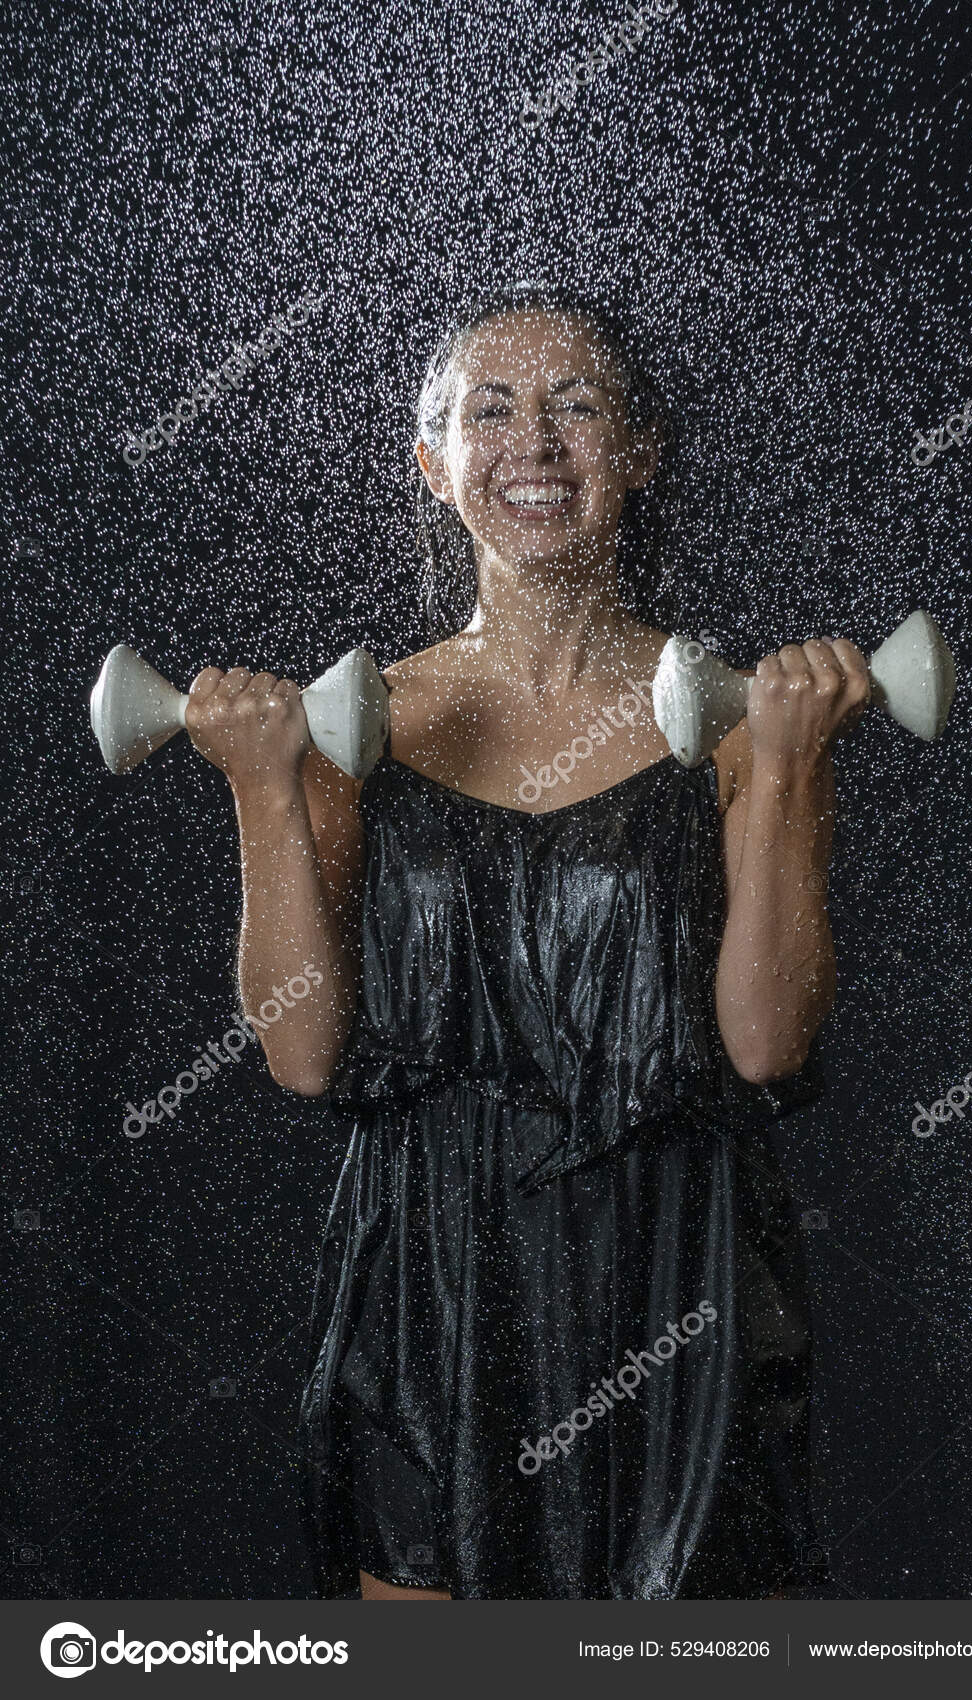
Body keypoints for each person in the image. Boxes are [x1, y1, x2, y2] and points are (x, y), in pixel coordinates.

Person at [185, 282, 870, 1600]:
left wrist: (784, 777)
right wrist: (260, 790)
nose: (534, 446)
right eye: (488, 412)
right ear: (431, 464)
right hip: (435, 1265)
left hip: (675, 1268)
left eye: (577, 407)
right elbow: (306, 1058)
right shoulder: (352, 724)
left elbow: (766, 1041)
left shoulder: (738, 716)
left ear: (639, 451)